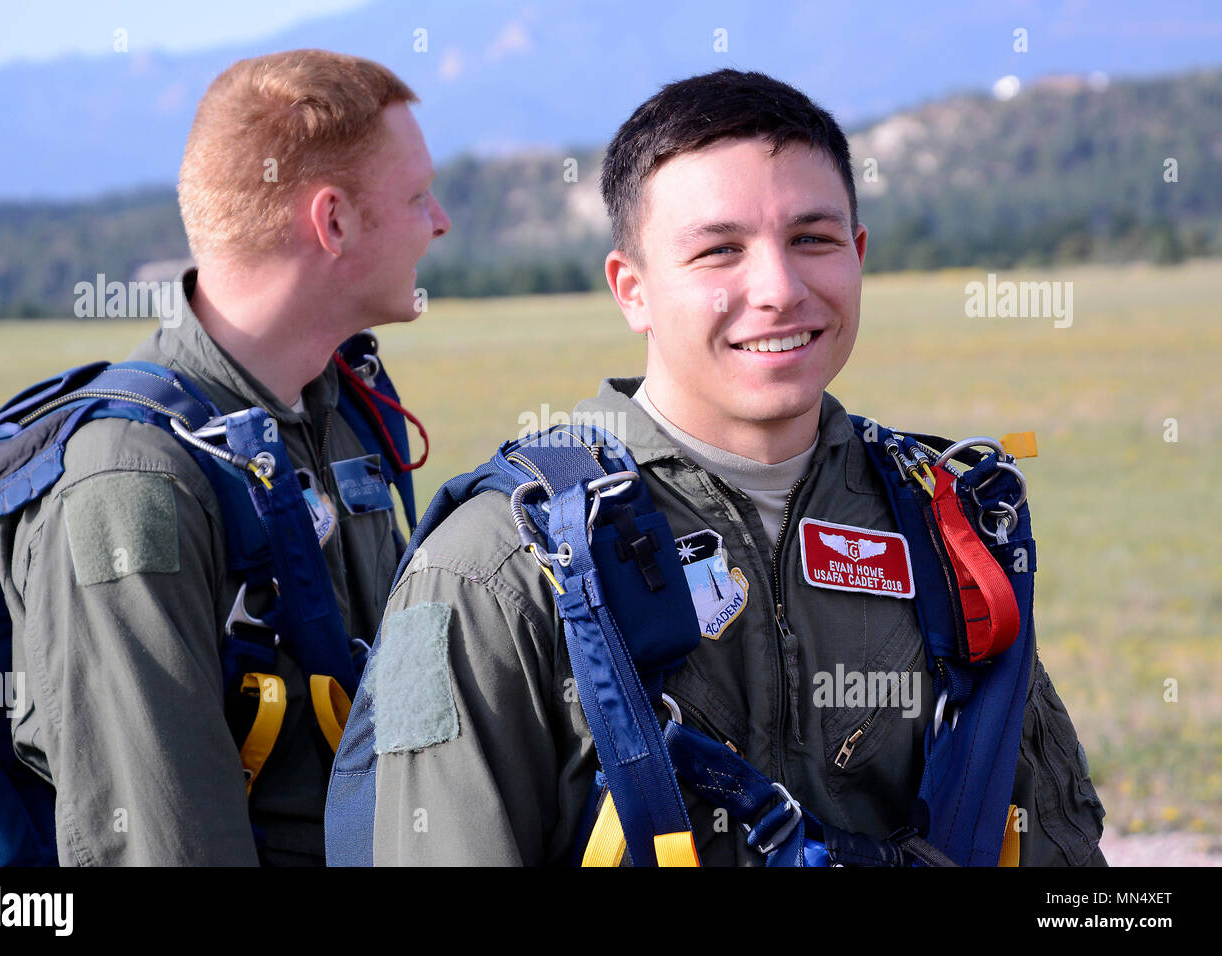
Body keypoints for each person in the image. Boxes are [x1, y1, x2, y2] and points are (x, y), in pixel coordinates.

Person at [341, 69, 1106, 866]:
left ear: (859, 255)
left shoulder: (946, 532)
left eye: (813, 239)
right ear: (631, 290)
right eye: (719, 252)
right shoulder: (493, 569)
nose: (778, 289)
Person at [0, 48, 450, 865]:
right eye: (418, 197)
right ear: (333, 220)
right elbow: (163, 843)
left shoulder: (342, 406)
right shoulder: (127, 488)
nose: (440, 221)